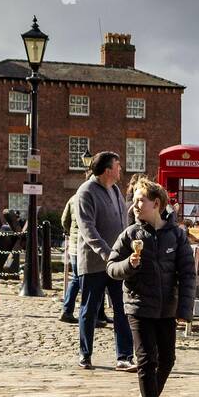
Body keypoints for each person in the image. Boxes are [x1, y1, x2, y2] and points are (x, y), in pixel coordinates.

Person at [107, 177, 195, 397]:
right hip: (138, 305)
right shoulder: (130, 235)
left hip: (166, 308)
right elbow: (112, 268)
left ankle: (150, 396)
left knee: (168, 359)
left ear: (156, 204)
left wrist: (184, 310)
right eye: (133, 201)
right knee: (146, 360)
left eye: (140, 201)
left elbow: (187, 274)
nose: (135, 205)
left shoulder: (177, 236)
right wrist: (129, 265)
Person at [75, 151, 134, 371]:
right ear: (108, 170)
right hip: (94, 264)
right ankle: (85, 353)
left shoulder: (116, 190)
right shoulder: (86, 192)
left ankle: (124, 356)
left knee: (122, 308)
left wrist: (125, 251)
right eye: (118, 166)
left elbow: (123, 223)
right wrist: (107, 253)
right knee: (90, 309)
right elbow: (88, 229)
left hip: (117, 264)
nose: (121, 169)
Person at [59, 192, 81, 323]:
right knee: (81, 279)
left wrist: (72, 233)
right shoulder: (89, 197)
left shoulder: (73, 198)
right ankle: (68, 310)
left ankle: (67, 310)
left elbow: (64, 220)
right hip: (83, 246)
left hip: (73, 245)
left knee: (76, 278)